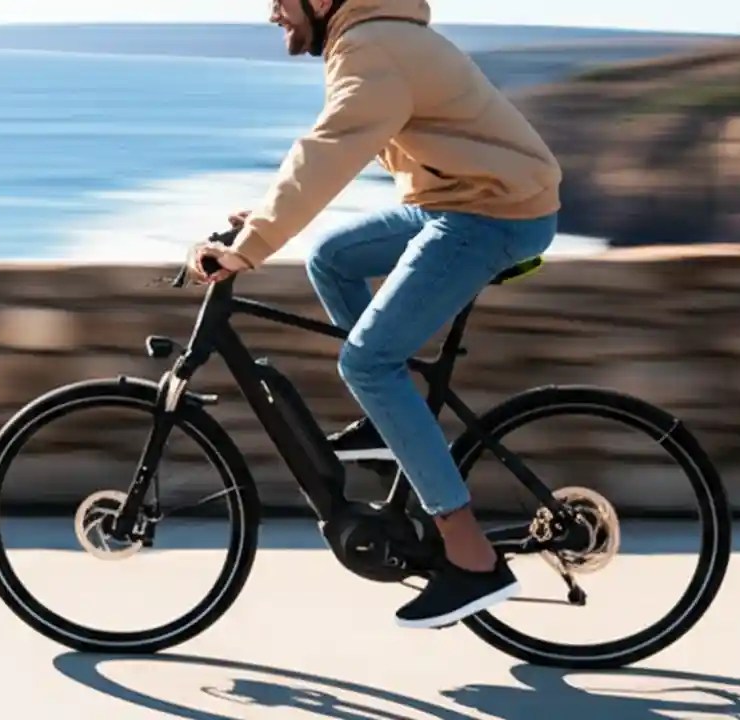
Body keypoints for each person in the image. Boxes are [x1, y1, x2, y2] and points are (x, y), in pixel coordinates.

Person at [188, 0, 563, 630]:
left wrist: (251, 246)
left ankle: (471, 556)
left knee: (366, 362)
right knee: (332, 257)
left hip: (491, 214)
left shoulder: (370, 45)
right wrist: (262, 221)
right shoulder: (374, 38)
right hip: (461, 199)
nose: (273, 13)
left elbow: (328, 151)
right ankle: (394, 421)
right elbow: (341, 144)